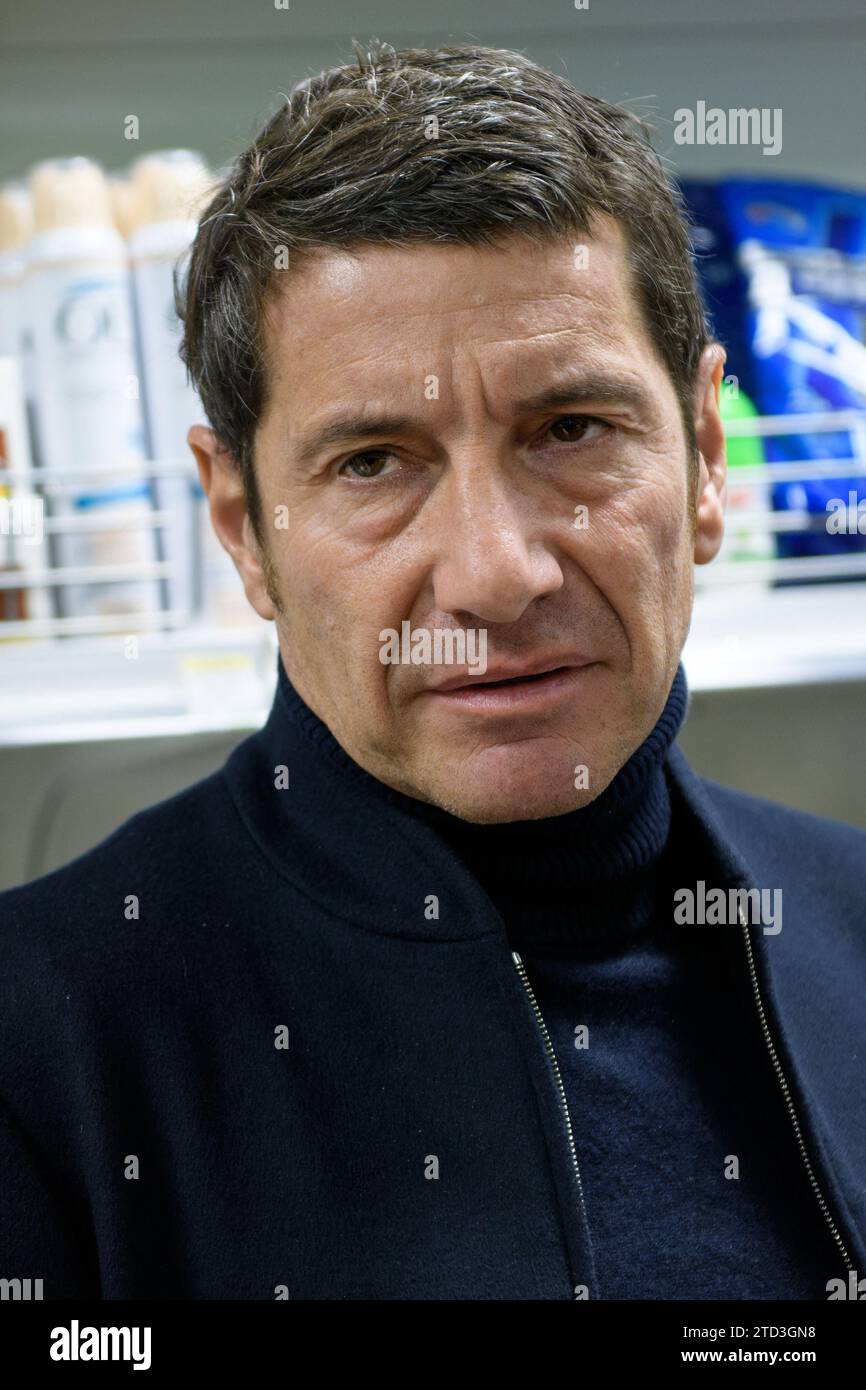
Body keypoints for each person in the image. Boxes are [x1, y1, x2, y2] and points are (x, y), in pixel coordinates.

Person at [1, 41, 864, 1301]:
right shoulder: (37, 1045)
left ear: (700, 457)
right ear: (241, 526)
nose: (495, 573)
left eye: (570, 429)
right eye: (372, 463)